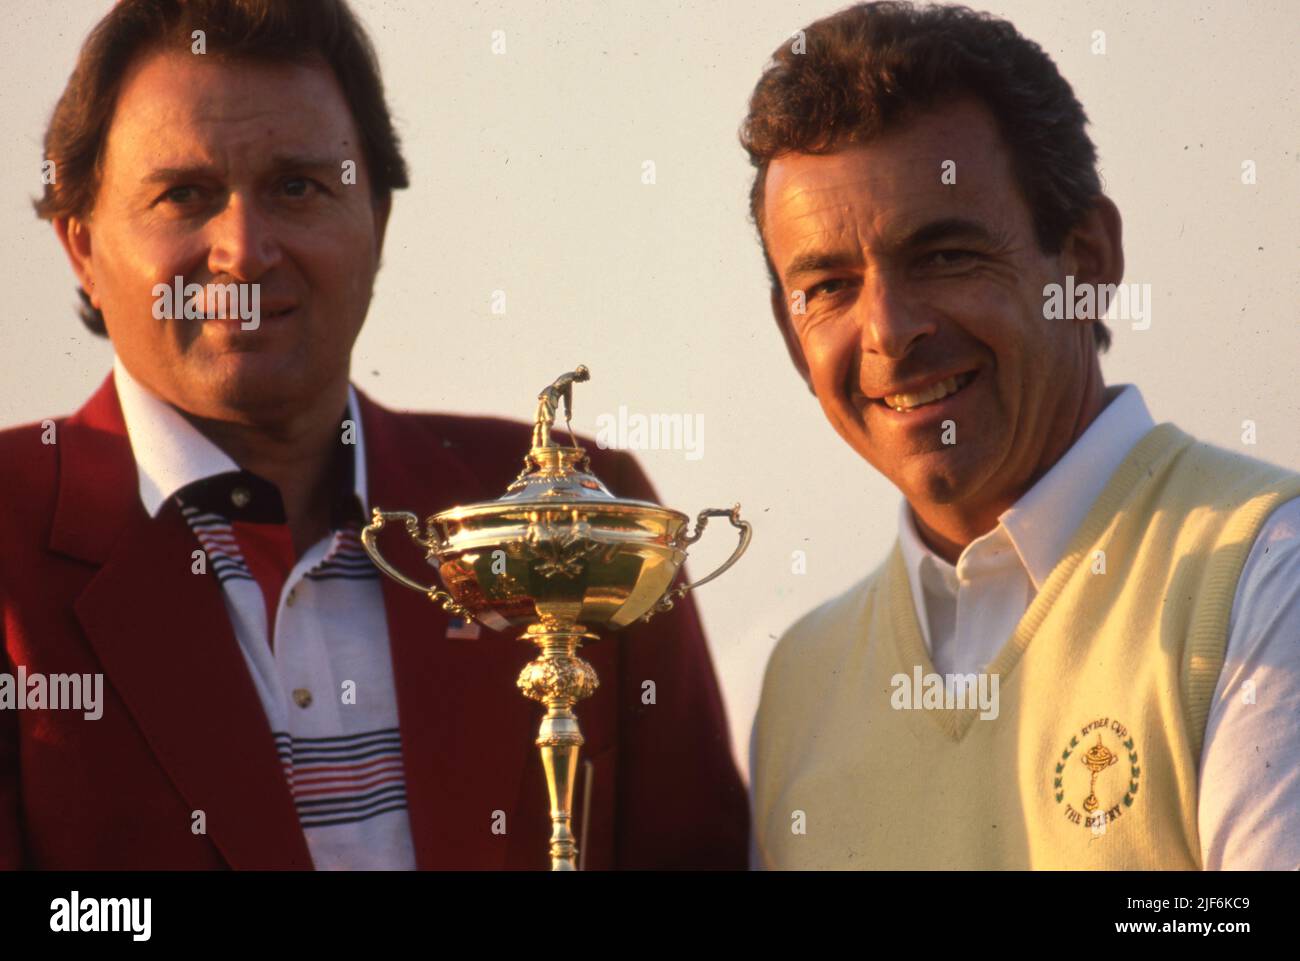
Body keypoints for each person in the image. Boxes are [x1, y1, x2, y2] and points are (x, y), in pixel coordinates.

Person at [0, 0, 747, 870]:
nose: (244, 249)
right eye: (184, 195)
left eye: (298, 186)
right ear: (81, 245)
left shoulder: (574, 516)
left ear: (379, 225)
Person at [741, 1, 1300, 869]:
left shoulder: (1268, 574)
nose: (888, 330)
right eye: (829, 287)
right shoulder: (799, 683)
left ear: (1087, 258)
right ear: (790, 335)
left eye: (945, 256)